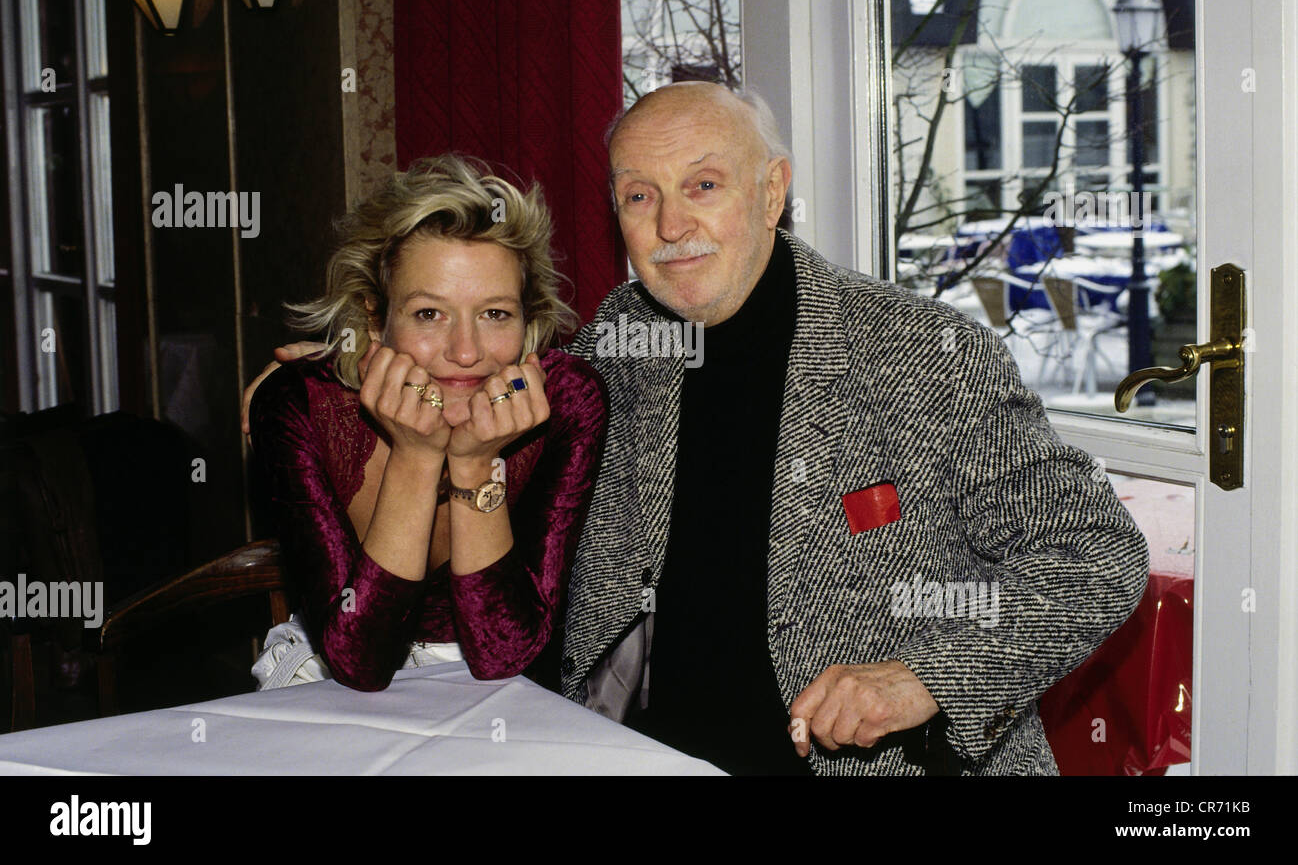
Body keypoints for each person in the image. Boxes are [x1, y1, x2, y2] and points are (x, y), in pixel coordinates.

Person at [244, 85, 1148, 776]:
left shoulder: (921, 353)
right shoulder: (619, 347)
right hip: (639, 756)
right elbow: (471, 351)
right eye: (639, 197)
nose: (672, 226)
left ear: (772, 192)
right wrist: (339, 362)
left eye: (703, 186)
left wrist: (927, 677)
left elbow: (1097, 553)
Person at [246, 155, 607, 692]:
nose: (466, 352)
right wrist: (416, 457)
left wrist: (474, 464)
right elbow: (360, 663)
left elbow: (503, 654)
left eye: (495, 314)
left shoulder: (569, 400)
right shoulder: (300, 404)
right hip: (327, 680)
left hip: (503, 697)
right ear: (375, 315)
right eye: (428, 314)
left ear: (529, 320)